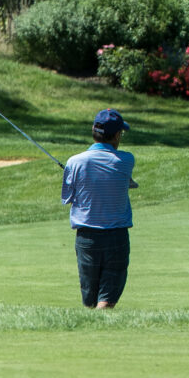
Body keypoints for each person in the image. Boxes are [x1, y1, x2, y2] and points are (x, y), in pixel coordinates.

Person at [62, 108, 138, 309]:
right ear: (117, 135)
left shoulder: (74, 162)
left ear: (93, 131)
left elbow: (69, 197)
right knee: (107, 299)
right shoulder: (127, 160)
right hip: (116, 237)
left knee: (90, 301)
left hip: (87, 238)